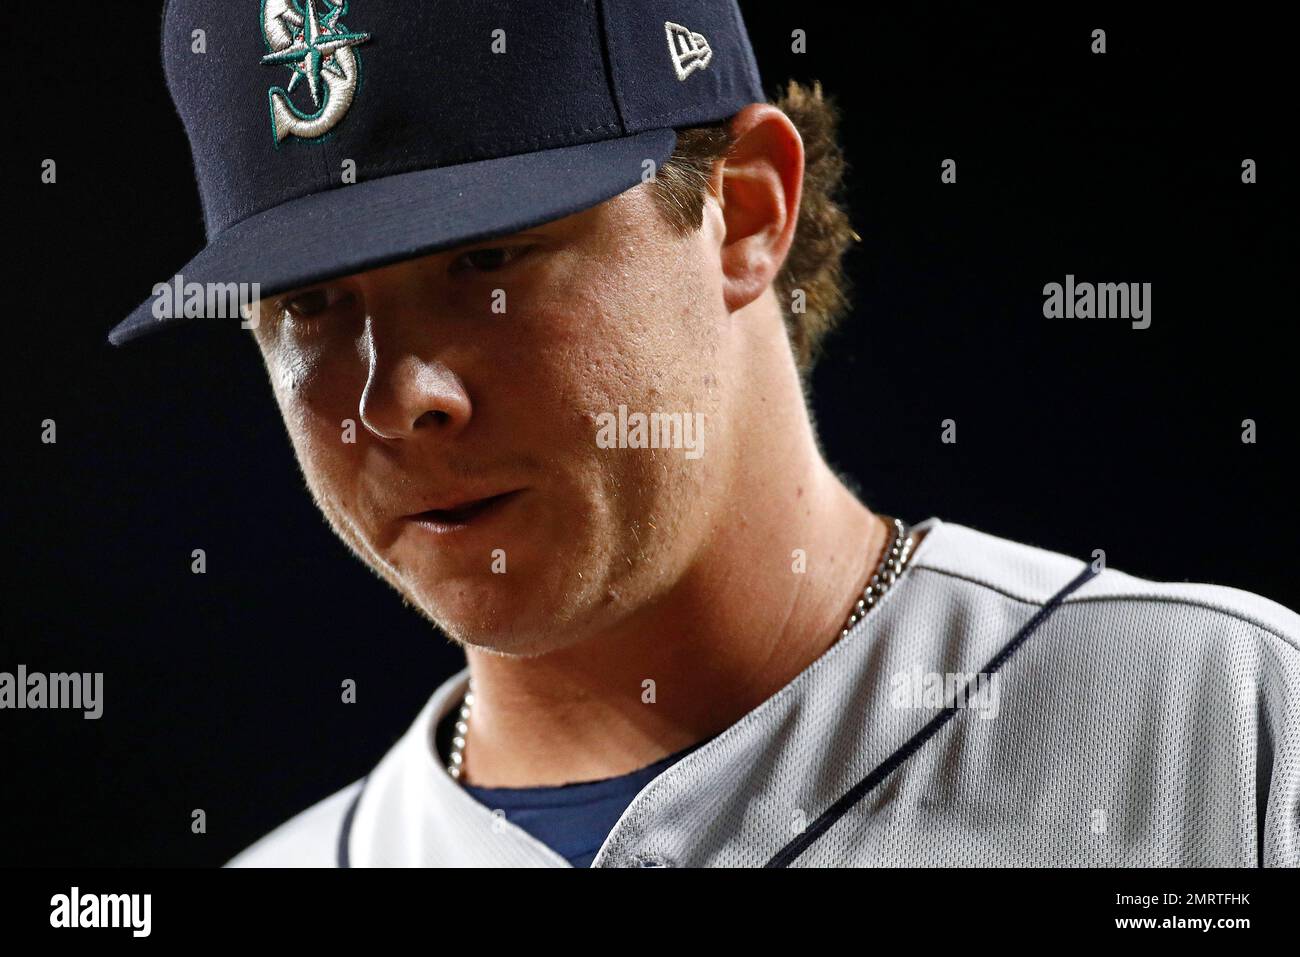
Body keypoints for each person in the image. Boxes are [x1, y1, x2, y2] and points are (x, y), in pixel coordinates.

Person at [111, 0, 1300, 868]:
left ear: (744, 210)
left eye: (487, 259)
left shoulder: (1221, 731)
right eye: (312, 305)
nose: (400, 395)